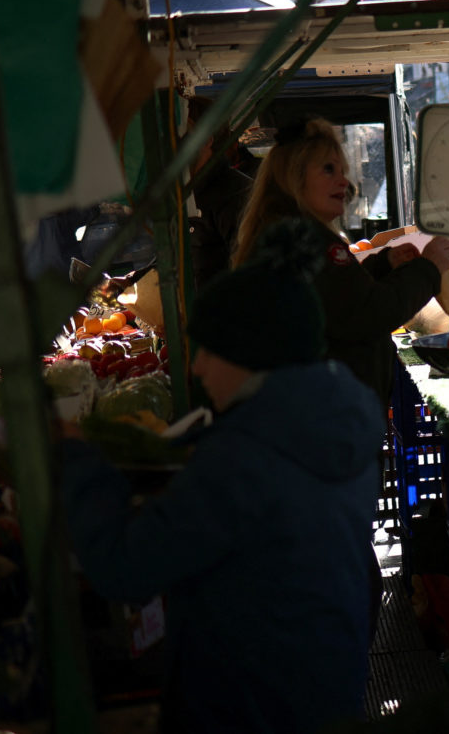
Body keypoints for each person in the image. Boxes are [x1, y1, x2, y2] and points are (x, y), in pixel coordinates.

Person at [60, 219, 384, 733]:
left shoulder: (244, 459)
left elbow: (126, 568)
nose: (196, 368)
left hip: (247, 705)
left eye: (208, 348)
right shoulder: (340, 416)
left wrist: (76, 459)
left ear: (250, 353)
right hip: (325, 687)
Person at [232, 117, 449, 409]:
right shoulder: (305, 242)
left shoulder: (284, 236)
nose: (343, 182)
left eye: (342, 171)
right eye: (328, 169)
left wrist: (383, 265)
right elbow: (368, 313)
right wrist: (429, 267)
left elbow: (336, 299)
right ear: (294, 176)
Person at [185, 97, 254, 288]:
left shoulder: (235, 195)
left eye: (178, 138)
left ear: (205, 140)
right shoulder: (187, 192)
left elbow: (251, 274)